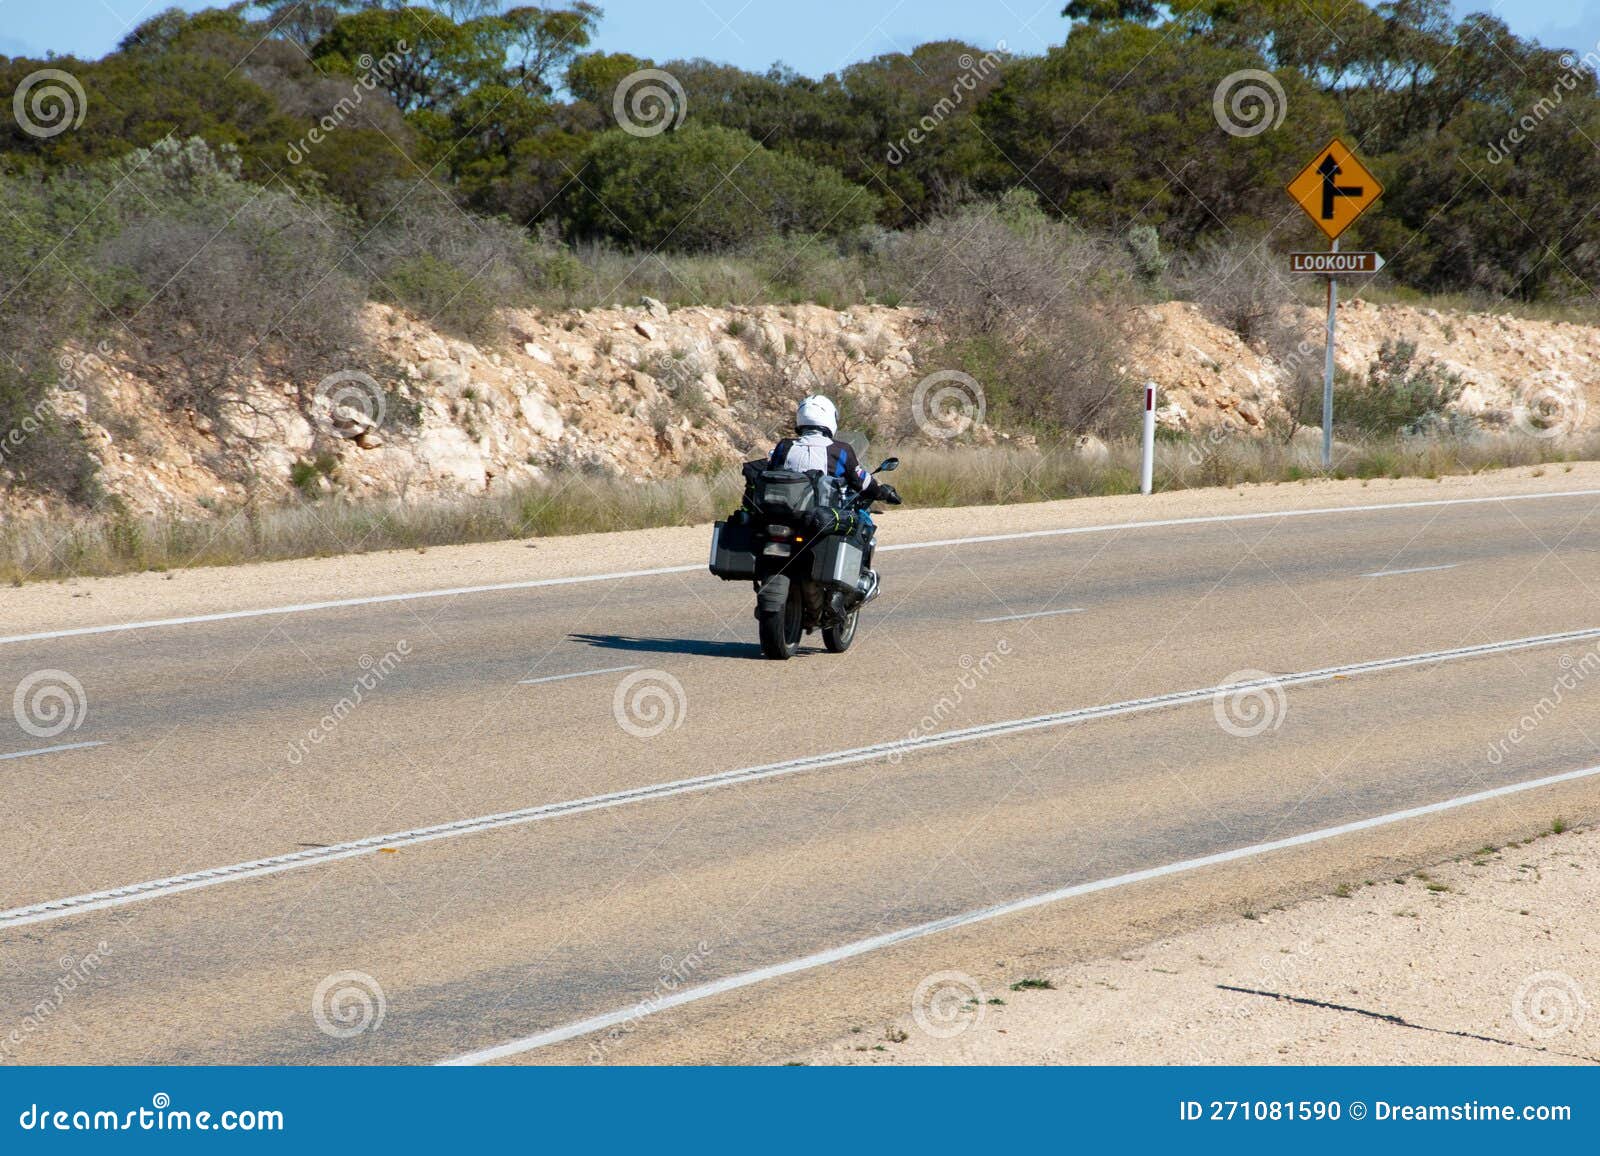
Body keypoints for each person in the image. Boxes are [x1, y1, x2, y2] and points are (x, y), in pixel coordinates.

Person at [768, 394, 901, 603]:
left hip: (783, 516)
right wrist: (882, 492)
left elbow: (771, 472)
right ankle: (849, 587)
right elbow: (863, 482)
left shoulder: (784, 447)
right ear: (830, 419)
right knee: (860, 528)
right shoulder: (840, 450)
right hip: (819, 519)